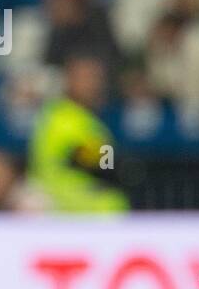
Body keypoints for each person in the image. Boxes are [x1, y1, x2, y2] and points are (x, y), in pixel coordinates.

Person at [28, 54, 129, 213]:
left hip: (90, 211)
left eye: (96, 77)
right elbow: (103, 162)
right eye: (85, 77)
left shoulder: (89, 117)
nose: (93, 84)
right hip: (64, 211)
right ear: (69, 80)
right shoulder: (60, 116)